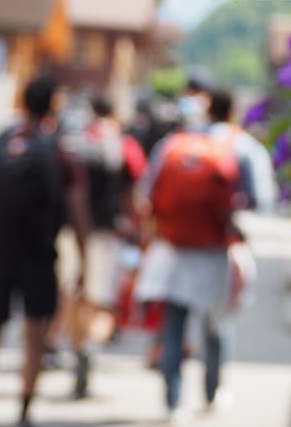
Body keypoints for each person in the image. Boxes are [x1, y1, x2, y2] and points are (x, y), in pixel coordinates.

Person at [0, 76, 89, 427]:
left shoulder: (3, 142)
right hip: (38, 256)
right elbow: (78, 210)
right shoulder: (58, 152)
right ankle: (23, 406)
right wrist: (83, 258)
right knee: (35, 334)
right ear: (53, 105)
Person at [135, 120, 242, 422]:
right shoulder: (224, 151)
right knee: (215, 329)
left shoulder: (167, 150)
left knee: (173, 329)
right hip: (211, 255)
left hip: (173, 252)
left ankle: (172, 403)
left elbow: (147, 196)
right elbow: (251, 200)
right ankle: (212, 392)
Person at [59, 94, 125, 399]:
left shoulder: (71, 143)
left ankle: (75, 346)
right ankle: (89, 348)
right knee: (99, 299)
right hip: (102, 234)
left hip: (69, 233)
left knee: (73, 294)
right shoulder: (120, 144)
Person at [208, 88, 276, 212]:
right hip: (231, 220)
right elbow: (263, 196)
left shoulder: (187, 140)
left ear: (208, 112)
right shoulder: (246, 144)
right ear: (231, 113)